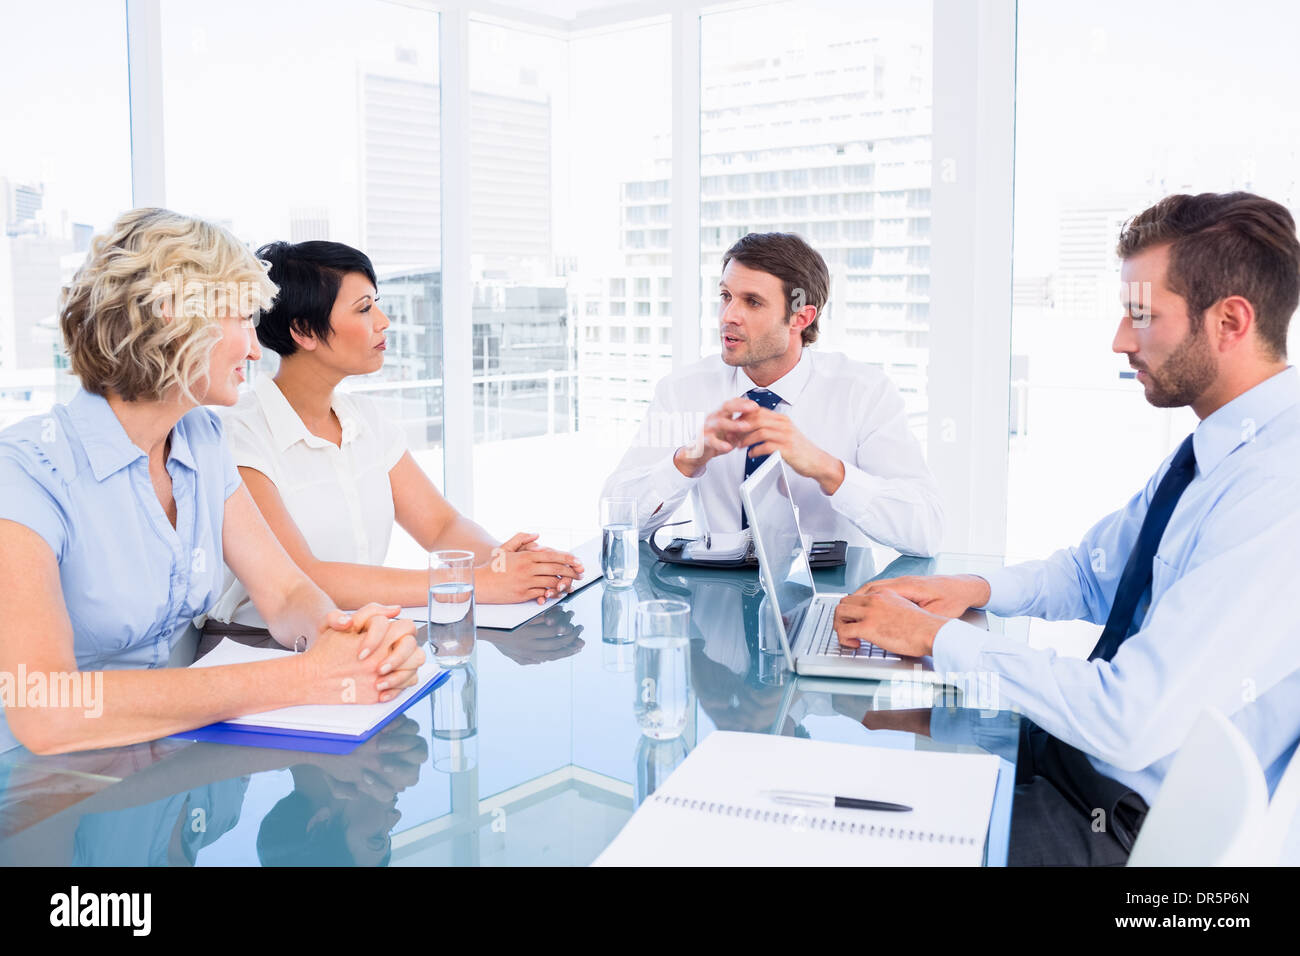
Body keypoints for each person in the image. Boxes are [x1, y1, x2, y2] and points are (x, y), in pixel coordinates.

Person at [833, 192, 1300, 864]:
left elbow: (1127, 720)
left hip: (1113, 822)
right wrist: (969, 590)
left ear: (1229, 320)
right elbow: (1090, 572)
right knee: (849, 738)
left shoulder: (1278, 487)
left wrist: (935, 638)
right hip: (1075, 761)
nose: (1119, 340)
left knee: (852, 836)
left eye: (1142, 315)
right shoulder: (1221, 445)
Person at [0, 209, 424, 756]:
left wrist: (345, 639)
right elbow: (46, 709)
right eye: (243, 319)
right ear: (172, 319)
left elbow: (286, 591)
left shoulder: (200, 437)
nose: (255, 348)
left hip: (179, 770)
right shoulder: (27, 470)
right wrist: (308, 677)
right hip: (53, 790)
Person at [207, 240, 584, 630]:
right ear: (304, 330)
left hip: (361, 634)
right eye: (364, 308)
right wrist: (472, 581)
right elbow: (302, 576)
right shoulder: (239, 433)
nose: (383, 320)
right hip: (258, 645)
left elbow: (441, 526)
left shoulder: (366, 419)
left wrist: (506, 563)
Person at [601, 232, 943, 556]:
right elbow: (615, 519)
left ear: (801, 317)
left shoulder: (864, 393)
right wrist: (687, 460)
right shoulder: (682, 391)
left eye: (752, 302)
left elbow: (926, 532)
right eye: (726, 296)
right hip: (715, 603)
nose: (728, 316)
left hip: (831, 601)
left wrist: (827, 469)